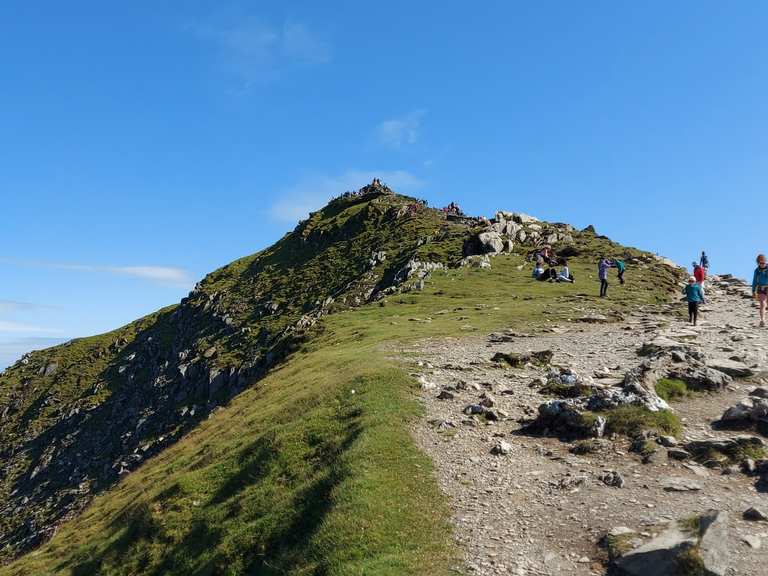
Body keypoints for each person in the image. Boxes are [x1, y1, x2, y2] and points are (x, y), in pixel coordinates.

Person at [752, 254, 768, 327]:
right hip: (761, 288)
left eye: (763, 263)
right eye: (760, 263)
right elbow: (754, 281)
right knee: (762, 304)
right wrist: (753, 291)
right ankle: (762, 320)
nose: (762, 264)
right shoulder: (757, 271)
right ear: (758, 263)